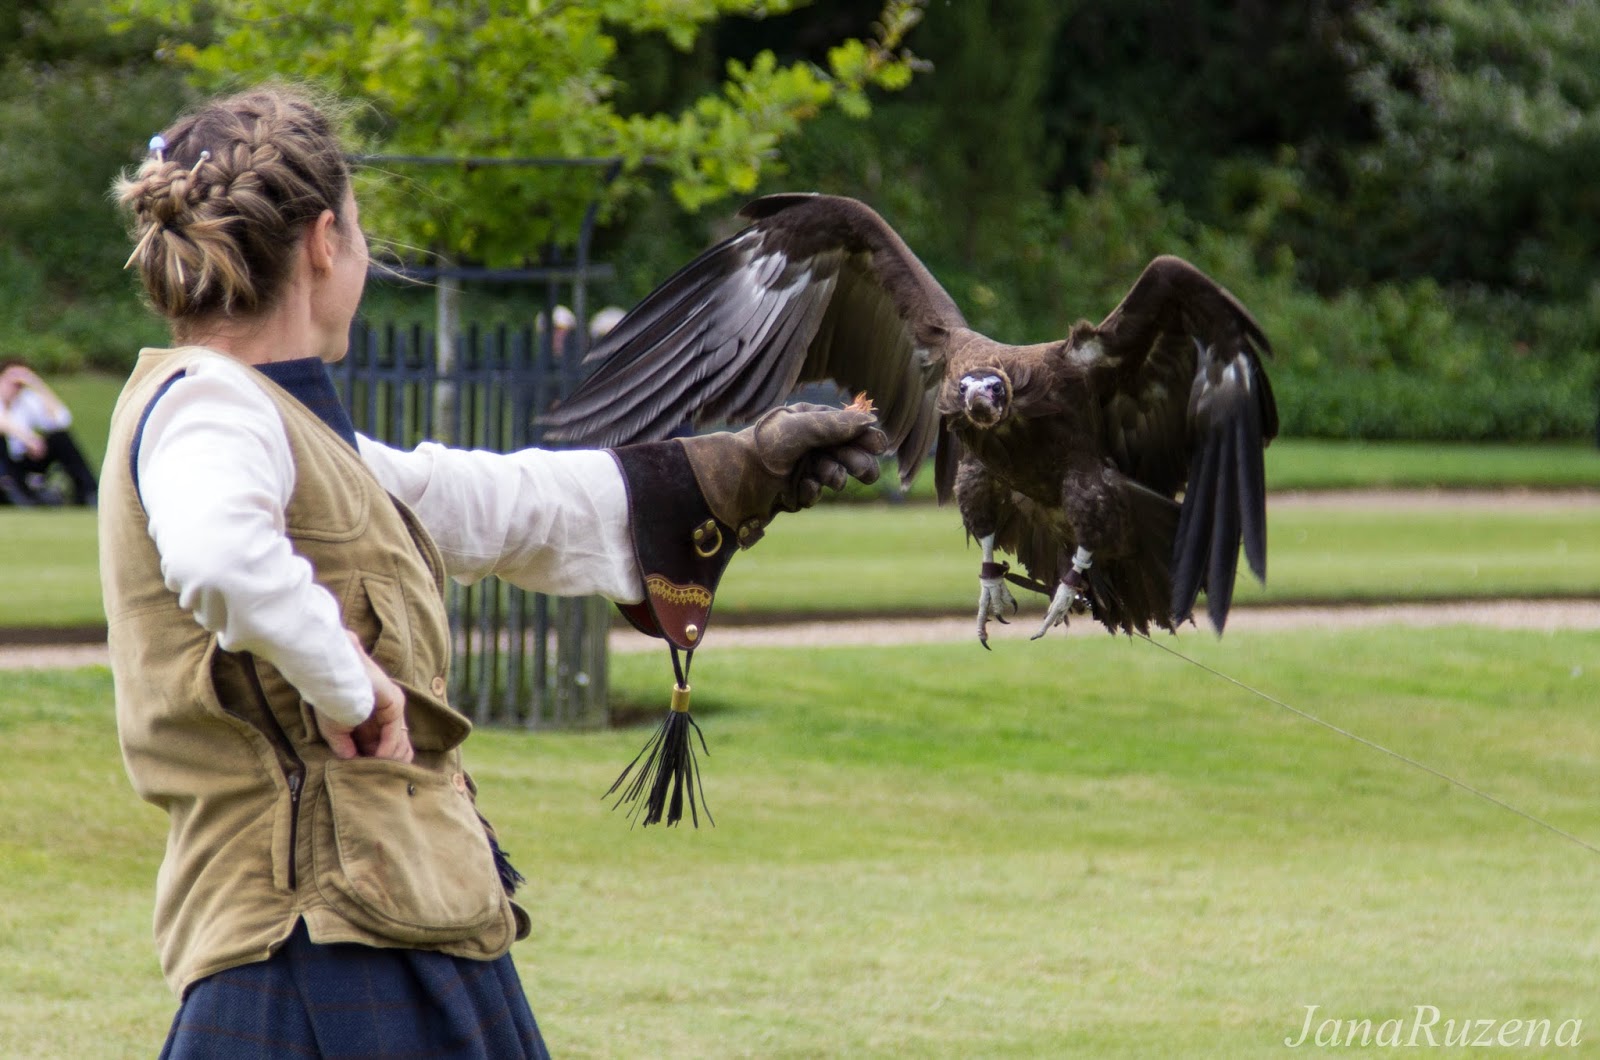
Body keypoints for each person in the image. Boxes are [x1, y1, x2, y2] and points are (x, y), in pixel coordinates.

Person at [108, 84, 885, 1058]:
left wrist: (724, 471)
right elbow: (218, 554)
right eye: (358, 228)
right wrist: (355, 688)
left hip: (390, 918)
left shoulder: (286, 429)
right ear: (323, 242)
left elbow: (475, 500)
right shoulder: (209, 404)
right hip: (307, 949)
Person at [0, 359, 99, 506]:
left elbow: (61, 420)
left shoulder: (26, 400)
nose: (16, 387)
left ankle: (88, 492)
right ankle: (20, 494)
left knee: (60, 438)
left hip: (23, 460)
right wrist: (28, 438)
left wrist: (36, 384)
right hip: (5, 462)